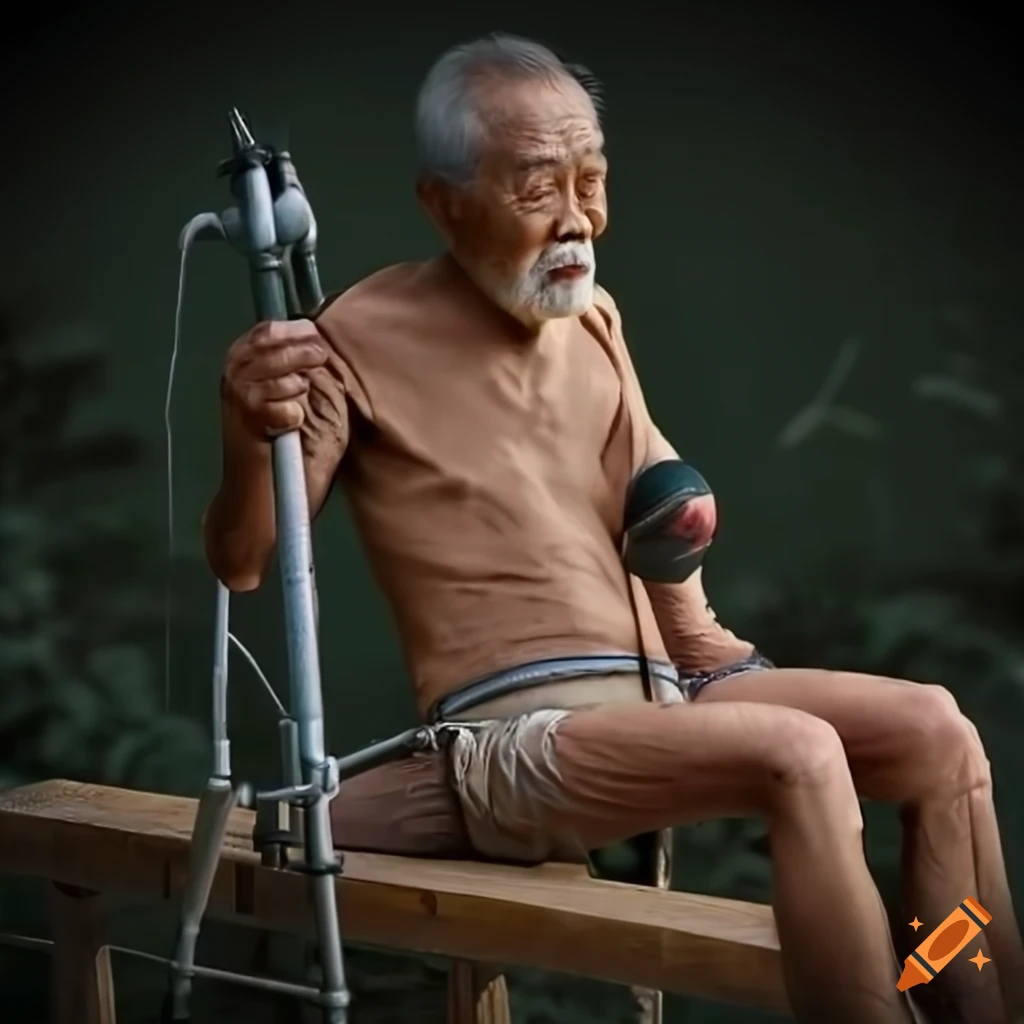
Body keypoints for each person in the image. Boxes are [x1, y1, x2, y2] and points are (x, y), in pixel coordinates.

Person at [202, 32, 1024, 1024]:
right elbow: (243, 561)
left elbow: (651, 505)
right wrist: (251, 430)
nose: (578, 221)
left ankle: (959, 986)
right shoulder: (347, 342)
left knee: (939, 730)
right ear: (443, 201)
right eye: (539, 186)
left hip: (664, 691)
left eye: (592, 180)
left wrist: (703, 627)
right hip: (513, 737)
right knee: (799, 754)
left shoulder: (592, 320)